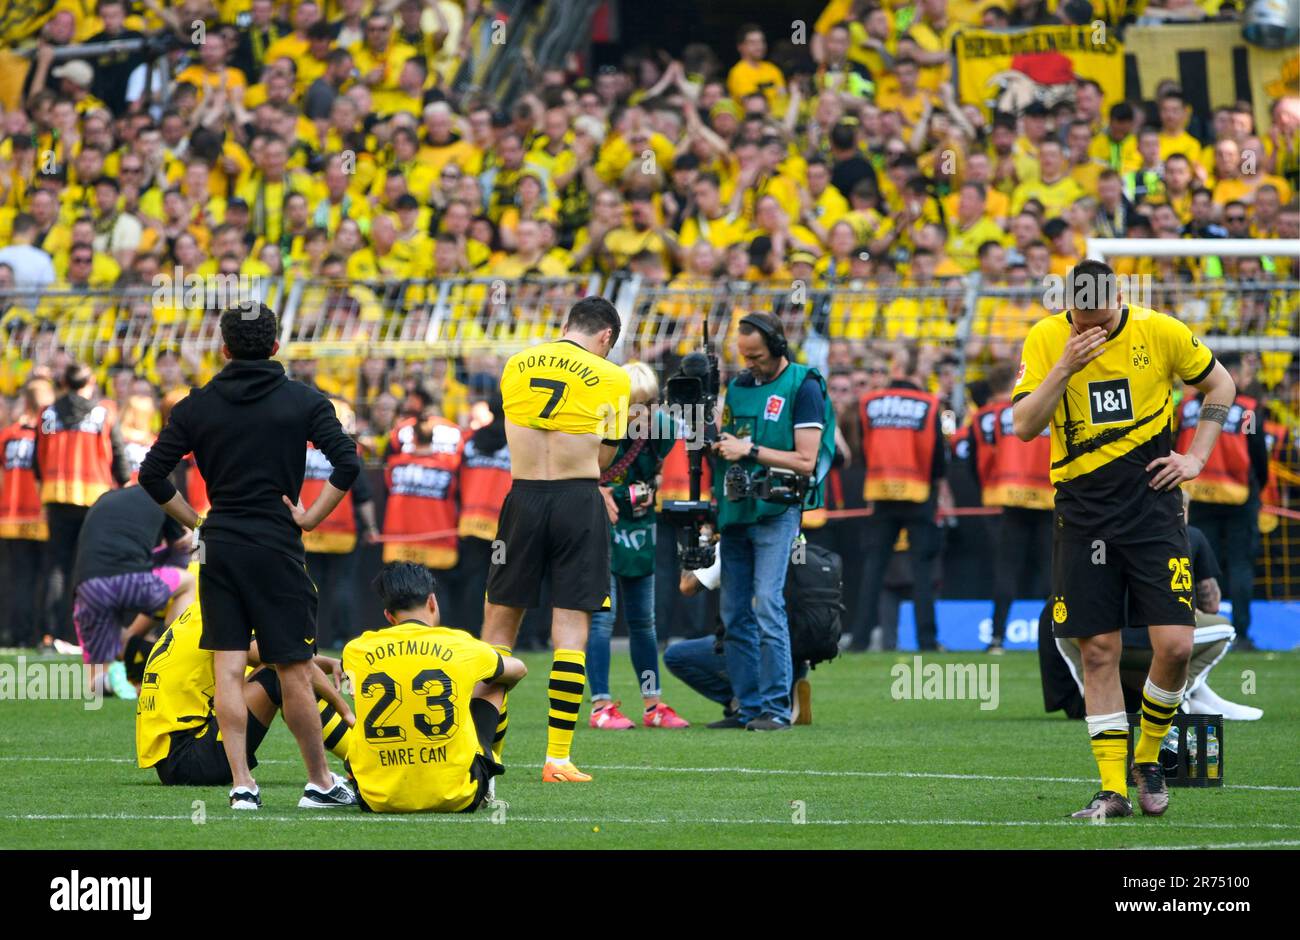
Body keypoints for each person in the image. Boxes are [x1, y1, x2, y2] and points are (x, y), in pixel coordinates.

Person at [1011, 259, 1236, 819]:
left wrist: (1196, 457)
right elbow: (1023, 426)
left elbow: (1221, 382)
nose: (1092, 328)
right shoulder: (1046, 338)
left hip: (1153, 508)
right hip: (1083, 513)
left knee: (1177, 645)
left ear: (1118, 299)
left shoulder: (1158, 330)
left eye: (1101, 317)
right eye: (1081, 317)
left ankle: (1149, 755)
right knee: (1099, 651)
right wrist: (1063, 366)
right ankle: (1112, 790)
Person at [138, 301, 362, 811]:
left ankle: (242, 785)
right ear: (277, 345)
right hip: (277, 546)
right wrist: (310, 518)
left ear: (223, 348)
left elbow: (151, 475)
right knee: (293, 668)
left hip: (219, 548)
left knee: (227, 667)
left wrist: (197, 520)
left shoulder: (195, 405)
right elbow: (348, 462)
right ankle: (320, 783)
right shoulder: (303, 400)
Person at [480, 296, 631, 784]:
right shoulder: (614, 377)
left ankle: (489, 753)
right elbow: (605, 460)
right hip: (577, 501)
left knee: (498, 631)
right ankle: (558, 759)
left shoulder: (517, 363)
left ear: (567, 324)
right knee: (570, 634)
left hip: (522, 499)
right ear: (606, 336)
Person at [710, 312, 834, 730]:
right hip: (737, 508)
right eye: (744, 356)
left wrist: (748, 450)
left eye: (757, 356)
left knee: (767, 603)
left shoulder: (805, 384)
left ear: (777, 347)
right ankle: (747, 706)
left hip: (779, 508)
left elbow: (806, 459)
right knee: (733, 612)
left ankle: (777, 708)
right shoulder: (740, 386)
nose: (750, 364)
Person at [343, 562, 527, 813]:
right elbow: (519, 669)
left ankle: (321, 782)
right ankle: (490, 765)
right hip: (457, 796)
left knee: (302, 686)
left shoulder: (355, 650)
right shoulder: (460, 645)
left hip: (376, 799)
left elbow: (347, 682)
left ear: (388, 616)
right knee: (495, 681)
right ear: (432, 601)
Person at [136, 601, 355, 786]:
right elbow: (283, 661)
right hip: (191, 758)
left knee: (279, 671)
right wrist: (343, 707)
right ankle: (359, 758)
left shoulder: (206, 608)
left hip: (175, 758)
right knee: (280, 676)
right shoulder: (226, 612)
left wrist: (330, 663)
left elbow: (280, 655)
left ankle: (356, 757)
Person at [588, 361, 688, 731]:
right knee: (601, 620)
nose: (644, 413)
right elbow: (572, 470)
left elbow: (662, 469)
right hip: (599, 528)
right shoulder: (597, 427)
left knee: (644, 621)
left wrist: (652, 486)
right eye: (636, 405)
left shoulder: (662, 429)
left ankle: (653, 704)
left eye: (650, 404)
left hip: (640, 527)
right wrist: (597, 490)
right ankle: (600, 706)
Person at [851, 345, 949, 651]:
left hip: (880, 491)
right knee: (922, 570)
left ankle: (859, 640)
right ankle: (927, 640)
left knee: (873, 568)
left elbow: (864, 447)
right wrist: (934, 487)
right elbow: (937, 456)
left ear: (895, 368)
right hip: (919, 493)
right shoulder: (929, 404)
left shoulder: (869, 402)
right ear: (918, 371)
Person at [1175, 352, 1269, 650]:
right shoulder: (1249, 409)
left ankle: (1197, 629)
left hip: (1196, 493)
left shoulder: (1187, 406)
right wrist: (1257, 489)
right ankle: (1240, 634)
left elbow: (1173, 443)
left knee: (1196, 564)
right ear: (1233, 374)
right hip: (1239, 497)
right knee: (1240, 564)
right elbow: (1259, 458)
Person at [36, 363, 132, 647]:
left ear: (63, 382)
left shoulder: (49, 413)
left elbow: (37, 458)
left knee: (57, 567)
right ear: (89, 382)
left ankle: (51, 633)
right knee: (89, 565)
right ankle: (83, 632)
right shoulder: (103, 413)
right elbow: (119, 459)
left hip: (57, 496)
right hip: (96, 499)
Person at [71, 486, 197, 699]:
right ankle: (173, 654)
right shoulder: (163, 497)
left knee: (96, 682)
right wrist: (192, 536)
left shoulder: (107, 498)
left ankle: (108, 680)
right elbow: (181, 550)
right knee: (187, 582)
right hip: (130, 582)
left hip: (88, 589)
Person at [968, 361, 1053, 653]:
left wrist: (990, 486)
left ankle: (997, 638)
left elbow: (981, 461)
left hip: (1007, 497)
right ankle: (1055, 635)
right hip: (1049, 494)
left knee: (1006, 570)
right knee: (1052, 570)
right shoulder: (1047, 406)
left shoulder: (986, 416)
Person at [0, 377, 53, 647]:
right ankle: (40, 633)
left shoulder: (8, 434)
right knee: (45, 576)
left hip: (10, 516)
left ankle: (16, 633)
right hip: (42, 516)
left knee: (17, 578)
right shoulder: (49, 433)